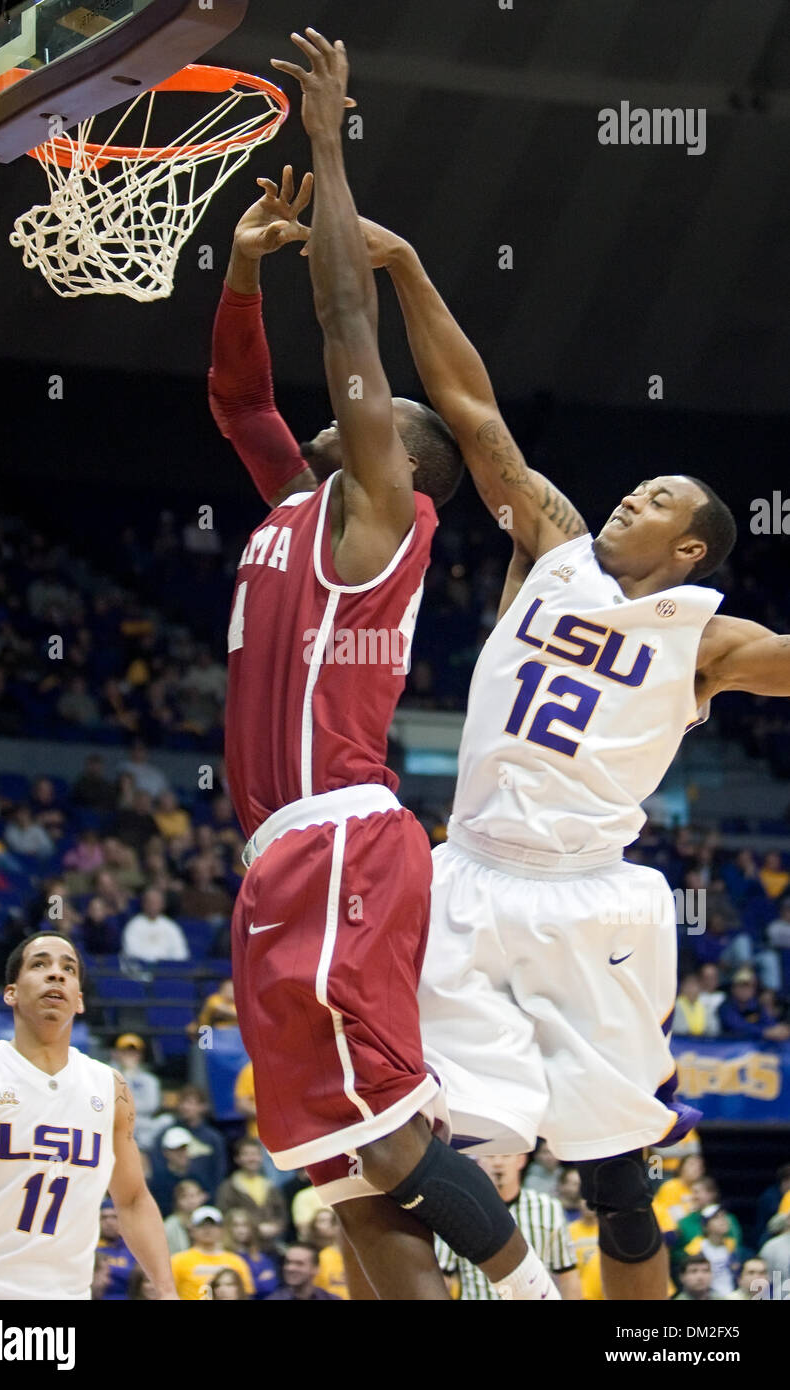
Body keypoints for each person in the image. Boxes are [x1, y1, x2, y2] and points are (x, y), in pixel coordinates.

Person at [353, 189, 790, 1302]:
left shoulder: (709, 638)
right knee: (408, 1141)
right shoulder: (547, 545)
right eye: (632, 486)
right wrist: (403, 263)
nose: (624, 498)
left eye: (651, 502)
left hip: (587, 899)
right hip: (468, 873)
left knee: (617, 1179)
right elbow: (468, 405)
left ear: (686, 545)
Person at [211, 26, 552, 1304]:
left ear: (406, 466)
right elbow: (240, 406)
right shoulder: (298, 503)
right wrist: (240, 275)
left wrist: (327, 145)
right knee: (343, 1173)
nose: (343, 419)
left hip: (342, 840)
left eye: (373, 422)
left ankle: (535, 1298)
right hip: (282, 853)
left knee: (392, 1133)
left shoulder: (375, 516)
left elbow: (348, 311)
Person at [0, 930, 177, 1298]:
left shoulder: (111, 1088)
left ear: (79, 1001)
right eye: (39, 964)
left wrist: (168, 1290)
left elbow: (134, 1199)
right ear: (10, 992)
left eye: (68, 969)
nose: (56, 974)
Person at [435, 1153, 580, 1301]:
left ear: (521, 1160)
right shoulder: (461, 1209)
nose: (498, 1163)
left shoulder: (548, 1208)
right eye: (490, 1156)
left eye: (505, 1156)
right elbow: (442, 1278)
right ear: (478, 1162)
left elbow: (567, 1274)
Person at [170, 1206, 254, 1300]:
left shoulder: (236, 1262)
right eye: (202, 1225)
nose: (208, 1229)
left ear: (221, 1229)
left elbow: (246, 1294)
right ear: (192, 1230)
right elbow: (168, 1293)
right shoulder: (177, 1261)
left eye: (213, 1225)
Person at [215, 1137, 287, 1246]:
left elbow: (281, 1214)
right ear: (237, 1158)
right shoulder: (229, 1187)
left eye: (255, 1154)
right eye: (246, 1154)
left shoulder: (270, 1186)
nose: (251, 1158)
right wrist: (254, 1228)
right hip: (241, 1245)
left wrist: (275, 1227)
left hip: (271, 1243)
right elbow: (225, 1215)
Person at [111, 1034, 162, 1150]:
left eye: (134, 1053)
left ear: (140, 1055)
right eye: (125, 1052)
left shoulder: (150, 1080)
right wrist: (127, 1076)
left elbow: (151, 1105)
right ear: (117, 1054)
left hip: (144, 1128)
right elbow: (113, 1104)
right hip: (117, 1125)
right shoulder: (108, 1075)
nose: (130, 1056)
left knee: (166, 1121)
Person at [718, 967, 790, 1041]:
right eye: (741, 986)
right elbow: (738, 1027)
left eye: (749, 987)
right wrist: (764, 1032)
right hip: (731, 1046)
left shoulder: (757, 1006)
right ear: (733, 988)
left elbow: (769, 1023)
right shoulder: (725, 1007)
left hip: (756, 1046)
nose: (745, 990)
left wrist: (780, 1030)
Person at [223, 1207, 280, 1298]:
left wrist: (252, 1282)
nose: (241, 1230)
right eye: (235, 1226)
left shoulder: (261, 1256)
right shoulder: (223, 1255)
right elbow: (238, 1289)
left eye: (245, 1225)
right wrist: (259, 1281)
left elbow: (272, 1285)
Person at [121, 887, 189, 963]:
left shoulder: (170, 926)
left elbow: (180, 953)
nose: (152, 906)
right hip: (142, 969)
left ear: (162, 905)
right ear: (144, 904)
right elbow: (131, 952)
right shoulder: (133, 926)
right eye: (150, 902)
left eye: (156, 902)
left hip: (168, 970)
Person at [264, 1242, 341, 1301]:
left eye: (299, 1263)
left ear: (316, 1269)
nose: (290, 1268)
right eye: (288, 1262)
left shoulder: (329, 1298)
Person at [96, 1197, 138, 1300]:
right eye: (104, 1217)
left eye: (114, 1217)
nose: (109, 1222)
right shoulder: (90, 1249)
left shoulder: (134, 1248)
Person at [163, 1177, 208, 1255]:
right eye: (184, 1197)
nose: (190, 1201)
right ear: (177, 1200)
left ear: (202, 1197)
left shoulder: (209, 1219)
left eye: (193, 1196)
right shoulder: (169, 1226)